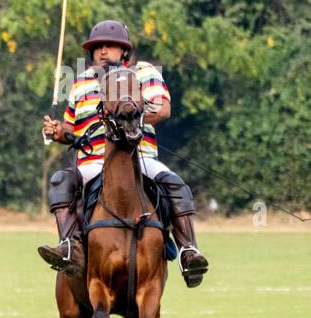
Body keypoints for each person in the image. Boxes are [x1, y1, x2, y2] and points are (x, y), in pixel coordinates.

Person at [41, 19, 209, 286]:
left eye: (111, 46)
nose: (103, 51)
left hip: (139, 158)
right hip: (93, 161)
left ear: (125, 52)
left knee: (175, 184)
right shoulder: (80, 82)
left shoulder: (143, 72)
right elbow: (72, 130)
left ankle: (189, 252)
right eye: (97, 47)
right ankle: (69, 248)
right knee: (61, 181)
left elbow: (162, 109)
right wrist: (57, 131)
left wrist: (129, 122)